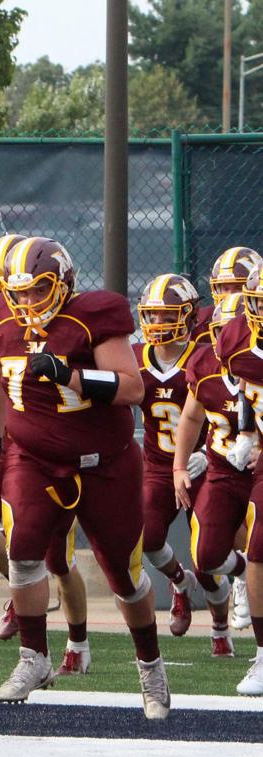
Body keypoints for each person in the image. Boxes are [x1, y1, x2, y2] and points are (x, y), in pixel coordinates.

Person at [0, 236, 170, 718]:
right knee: (22, 552)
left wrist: (71, 375)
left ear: (63, 283)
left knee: (123, 575)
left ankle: (150, 666)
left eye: (36, 290)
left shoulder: (94, 316)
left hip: (107, 463)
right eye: (16, 292)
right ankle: (33, 658)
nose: (24, 302)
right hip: (35, 458)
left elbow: (132, 388)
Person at [135, 274, 222, 649]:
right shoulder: (134, 358)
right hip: (157, 465)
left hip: (207, 466)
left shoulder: (204, 358)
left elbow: (222, 412)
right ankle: (179, 582)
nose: (157, 325)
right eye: (152, 316)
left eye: (167, 316)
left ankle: (220, 623)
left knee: (208, 557)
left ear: (188, 318)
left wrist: (204, 454)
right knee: (149, 539)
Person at [192, 289, 263, 691]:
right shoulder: (235, 339)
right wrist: (248, 434)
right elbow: (246, 390)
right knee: (248, 549)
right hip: (243, 462)